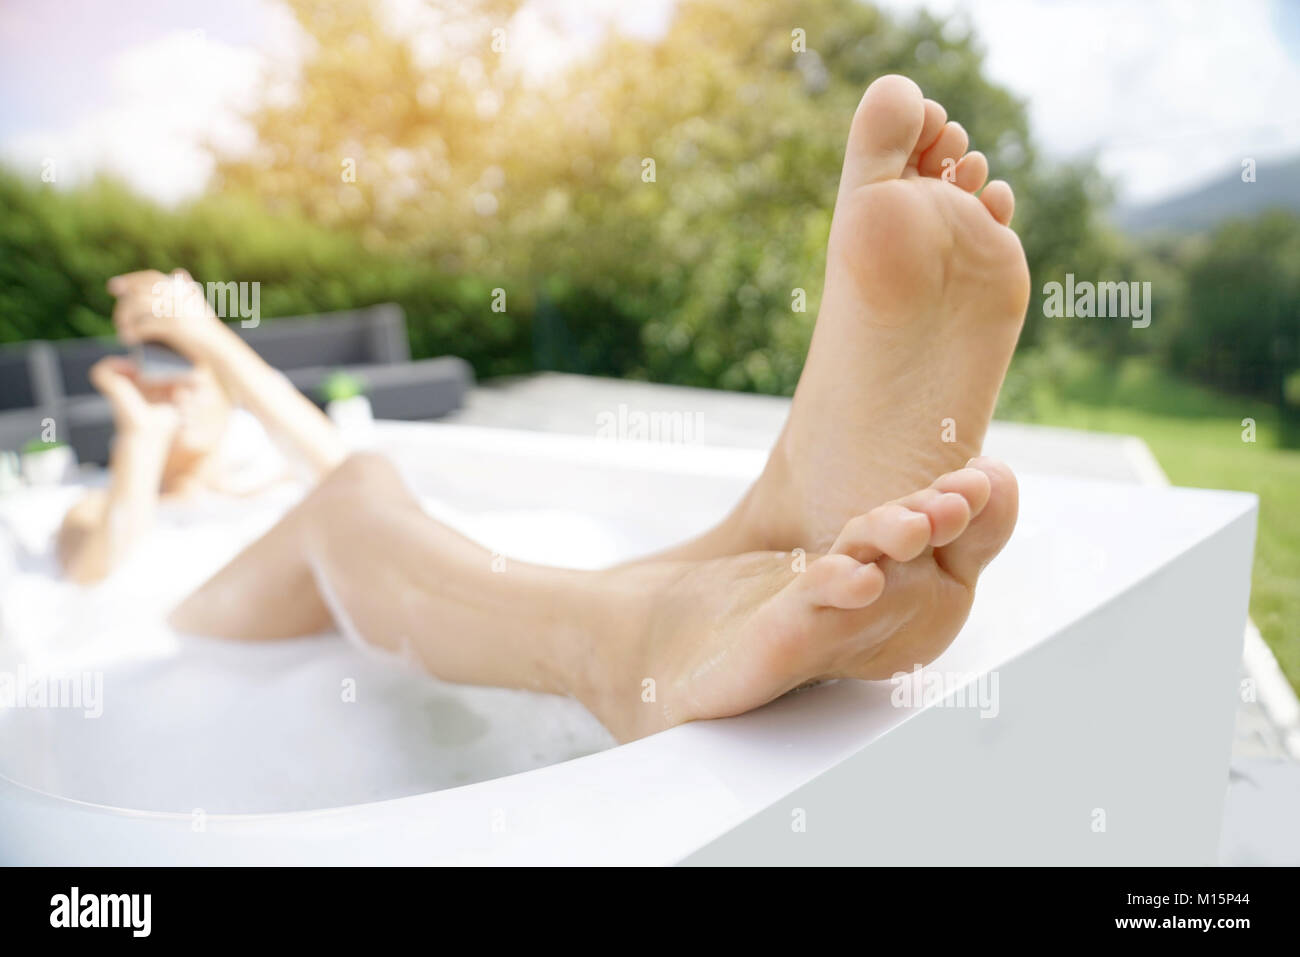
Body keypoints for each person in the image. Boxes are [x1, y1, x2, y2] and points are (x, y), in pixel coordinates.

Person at [169, 76, 1030, 742]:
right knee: (353, 492)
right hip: (171, 626)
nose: (174, 396)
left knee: (361, 483)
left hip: (343, 595)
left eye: (188, 381)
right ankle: (621, 645)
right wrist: (172, 394)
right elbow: (103, 556)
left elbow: (306, 440)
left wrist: (208, 356)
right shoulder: (123, 505)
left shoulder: (253, 464)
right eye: (152, 392)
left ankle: (777, 526)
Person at [56, 269, 348, 583]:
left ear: (229, 399)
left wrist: (206, 332)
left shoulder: (280, 487)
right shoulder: (96, 508)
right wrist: (141, 435)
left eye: (193, 387)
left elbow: (349, 475)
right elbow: (91, 580)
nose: (180, 398)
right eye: (163, 387)